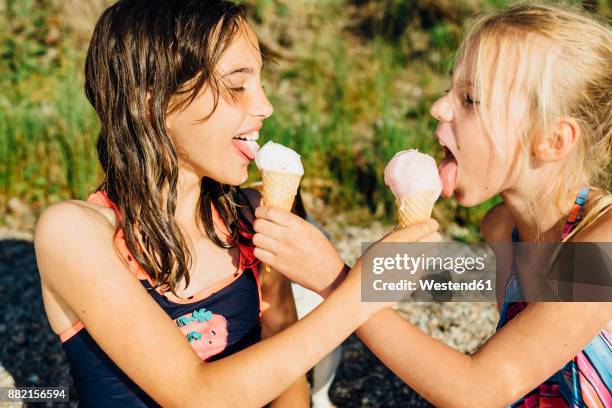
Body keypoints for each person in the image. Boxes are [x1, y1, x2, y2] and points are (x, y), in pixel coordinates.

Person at [33, 1, 440, 406]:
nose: (265, 107)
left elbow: (287, 371)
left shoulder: (253, 214)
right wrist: (358, 295)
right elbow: (195, 394)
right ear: (149, 100)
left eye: (261, 82)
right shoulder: (75, 233)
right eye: (236, 85)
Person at [253, 4, 612, 406]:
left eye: (471, 99)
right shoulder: (501, 229)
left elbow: (479, 389)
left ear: (552, 140)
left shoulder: (604, 243)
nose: (438, 108)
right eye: (450, 89)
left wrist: (335, 280)